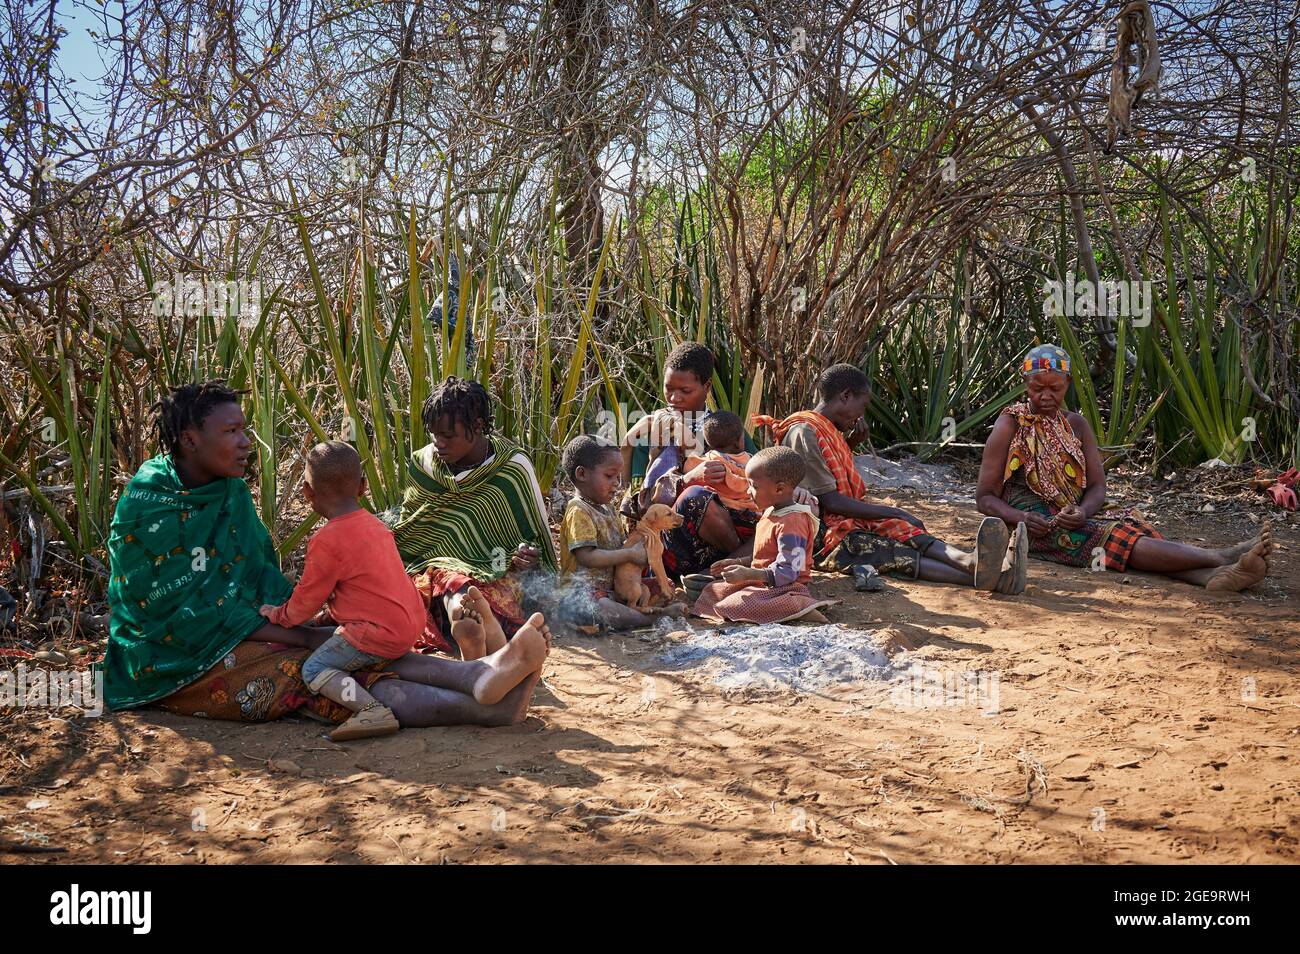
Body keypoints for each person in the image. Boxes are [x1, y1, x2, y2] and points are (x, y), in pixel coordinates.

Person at [101, 381, 550, 730]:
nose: (245, 442)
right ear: (190, 440)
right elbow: (164, 609)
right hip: (178, 657)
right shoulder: (150, 502)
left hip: (250, 621)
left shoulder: (229, 491)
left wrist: (301, 619)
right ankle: (484, 708)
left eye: (244, 430)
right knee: (327, 670)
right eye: (232, 432)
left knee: (354, 640)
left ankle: (479, 676)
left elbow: (255, 572)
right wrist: (297, 629)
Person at [976, 344, 1273, 590]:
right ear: (1025, 385)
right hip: (1033, 528)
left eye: (1055, 388)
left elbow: (1097, 487)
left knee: (1132, 527)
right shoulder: (1009, 424)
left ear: (1068, 384)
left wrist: (1083, 511)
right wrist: (1023, 517)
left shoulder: (1077, 425)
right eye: (1037, 387)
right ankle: (1220, 557)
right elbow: (985, 497)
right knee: (1111, 537)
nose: (1045, 395)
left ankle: (1209, 577)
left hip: (1072, 514)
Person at [757, 363, 1024, 592]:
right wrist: (891, 511)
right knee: (884, 549)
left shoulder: (826, 431)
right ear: (846, 396)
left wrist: (850, 443)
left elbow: (824, 474)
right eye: (862, 406)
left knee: (902, 530)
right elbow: (830, 500)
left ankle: (968, 561)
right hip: (820, 531)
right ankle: (990, 578)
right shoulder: (805, 431)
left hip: (839, 518)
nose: (861, 416)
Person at [258, 441, 424, 742]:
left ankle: (371, 709)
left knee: (315, 668)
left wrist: (278, 614)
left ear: (308, 493)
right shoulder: (375, 526)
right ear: (362, 487)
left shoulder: (327, 539)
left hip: (378, 634)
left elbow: (303, 605)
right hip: (411, 625)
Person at [393, 376, 558, 659]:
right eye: (434, 435)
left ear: (478, 426)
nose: (438, 443)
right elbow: (411, 530)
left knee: (463, 586)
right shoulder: (423, 463)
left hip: (494, 570)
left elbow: (535, 539)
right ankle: (472, 623)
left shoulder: (511, 468)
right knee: (437, 579)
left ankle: (471, 623)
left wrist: (528, 558)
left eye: (448, 435)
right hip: (431, 566)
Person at [622, 343, 802, 580]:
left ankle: (726, 569)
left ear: (706, 387)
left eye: (685, 391)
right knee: (696, 497)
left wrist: (794, 492)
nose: (675, 398)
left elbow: (762, 477)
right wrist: (687, 479)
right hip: (680, 541)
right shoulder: (652, 431)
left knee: (796, 506)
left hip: (738, 527)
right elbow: (641, 504)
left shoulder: (725, 427)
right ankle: (741, 565)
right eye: (669, 389)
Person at [694, 447, 838, 624]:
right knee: (712, 591)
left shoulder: (793, 522)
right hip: (763, 581)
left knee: (735, 605)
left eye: (754, 486)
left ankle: (800, 606)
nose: (748, 492)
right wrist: (738, 563)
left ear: (779, 489)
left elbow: (789, 571)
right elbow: (765, 555)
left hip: (786, 587)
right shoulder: (772, 511)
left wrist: (748, 574)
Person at [557, 435, 673, 629]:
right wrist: (629, 554)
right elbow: (587, 557)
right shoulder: (579, 510)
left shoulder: (607, 508)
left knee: (664, 586)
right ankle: (652, 619)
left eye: (618, 476)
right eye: (609, 476)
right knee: (606, 609)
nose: (617, 483)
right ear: (582, 474)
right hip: (581, 594)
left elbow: (620, 544)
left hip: (611, 588)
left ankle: (639, 611)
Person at [681, 411, 756, 513]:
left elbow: (689, 467)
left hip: (717, 511)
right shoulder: (749, 461)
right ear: (738, 443)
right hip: (746, 511)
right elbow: (744, 484)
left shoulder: (704, 462)